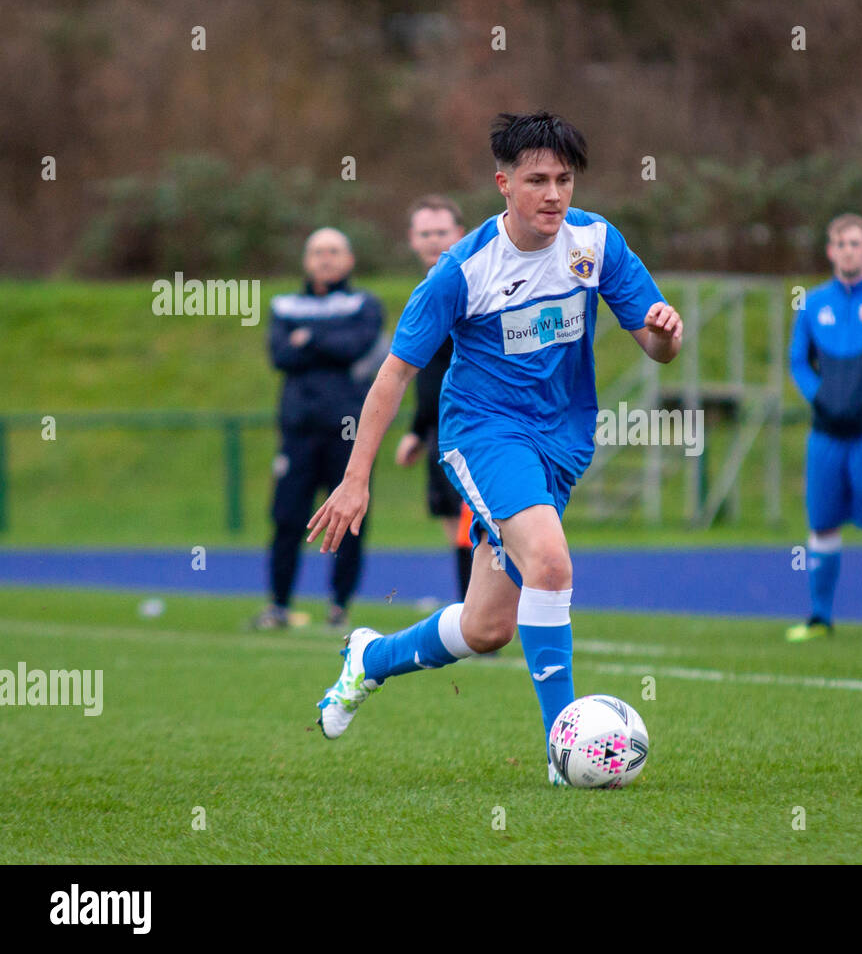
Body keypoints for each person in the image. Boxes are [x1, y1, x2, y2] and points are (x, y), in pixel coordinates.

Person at [306, 112, 682, 786]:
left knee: (487, 629)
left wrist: (664, 333)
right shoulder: (463, 270)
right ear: (503, 183)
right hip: (484, 434)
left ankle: (369, 658)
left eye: (564, 179)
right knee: (551, 562)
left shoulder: (596, 243)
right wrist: (355, 477)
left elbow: (655, 345)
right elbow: (394, 373)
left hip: (562, 442)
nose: (554, 194)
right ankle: (564, 750)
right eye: (537, 180)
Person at [785, 214, 862, 644]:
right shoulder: (812, 304)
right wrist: (818, 395)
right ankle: (820, 617)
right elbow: (798, 361)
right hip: (824, 435)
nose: (849, 251)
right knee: (821, 524)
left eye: (856, 243)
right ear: (830, 251)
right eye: (841, 244)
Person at [252, 228, 383, 631]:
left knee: (348, 519)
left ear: (349, 260)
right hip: (298, 431)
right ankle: (278, 606)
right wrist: (324, 342)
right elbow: (280, 354)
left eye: (334, 251)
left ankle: (339, 607)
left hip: (347, 433)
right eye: (317, 252)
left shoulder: (364, 303)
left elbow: (356, 346)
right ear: (306, 260)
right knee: (287, 517)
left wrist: (308, 339)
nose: (325, 259)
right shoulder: (284, 304)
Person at [393, 195, 474, 602]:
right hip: (439, 427)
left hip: (471, 424)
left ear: (459, 234)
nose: (433, 240)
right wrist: (418, 429)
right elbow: (426, 374)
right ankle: (472, 616)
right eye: (425, 233)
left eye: (441, 232)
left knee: (475, 526)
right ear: (412, 239)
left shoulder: (470, 281)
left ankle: (479, 621)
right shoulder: (425, 288)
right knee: (455, 525)